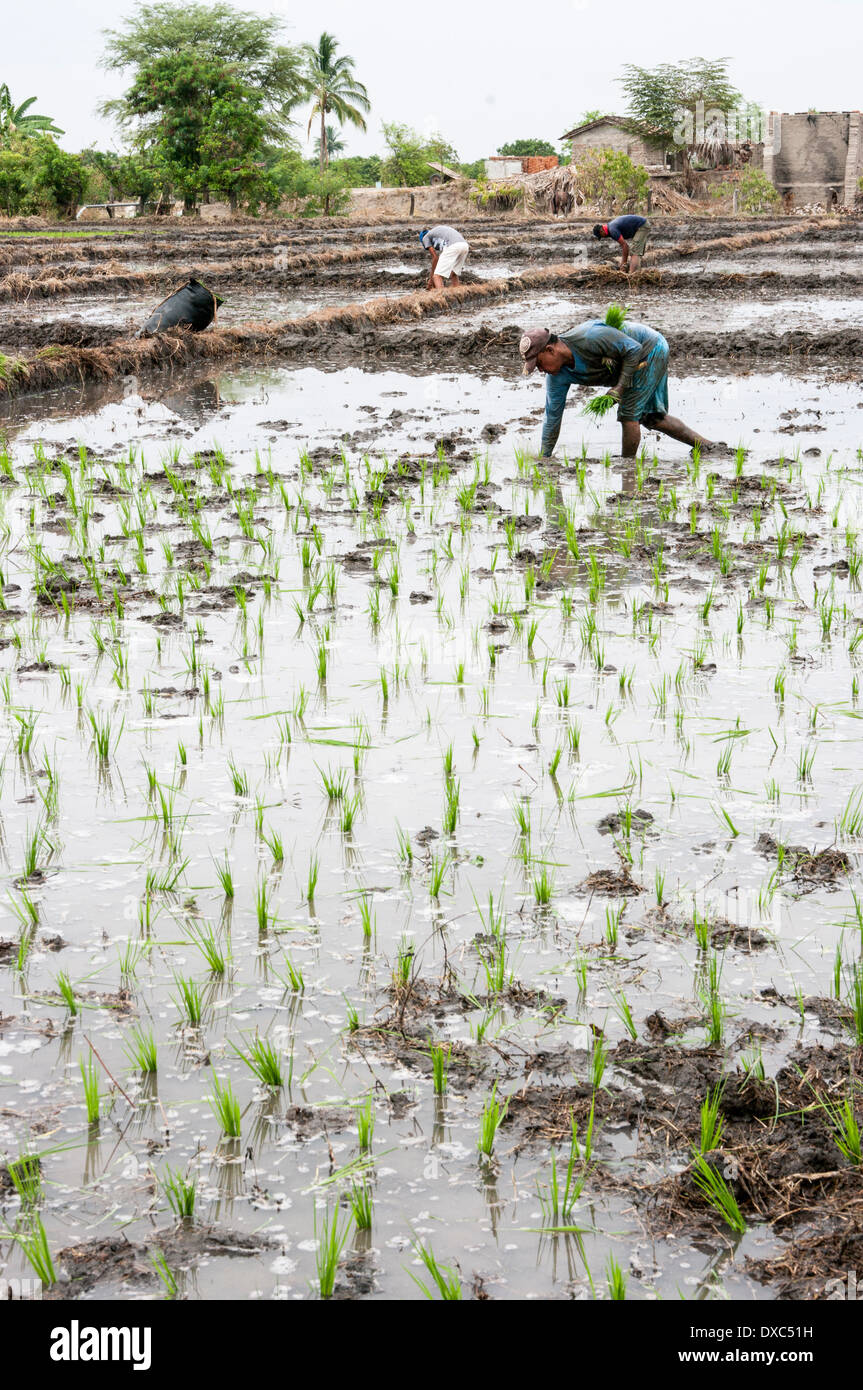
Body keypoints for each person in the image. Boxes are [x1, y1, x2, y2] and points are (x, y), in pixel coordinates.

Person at [519, 320, 716, 460]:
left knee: (628, 414)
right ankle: (708, 447)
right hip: (631, 360)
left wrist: (620, 388)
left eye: (539, 364)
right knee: (651, 418)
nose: (541, 370)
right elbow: (552, 416)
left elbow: (633, 349)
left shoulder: (589, 337)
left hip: (649, 349)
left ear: (550, 350)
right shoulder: (556, 377)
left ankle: (627, 466)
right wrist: (545, 457)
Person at [419, 225, 470, 289]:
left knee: (437, 276)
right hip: (464, 245)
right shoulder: (437, 233)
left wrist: (430, 282)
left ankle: (442, 296)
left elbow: (435, 258)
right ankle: (457, 293)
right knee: (453, 274)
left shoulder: (425, 238)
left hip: (454, 246)